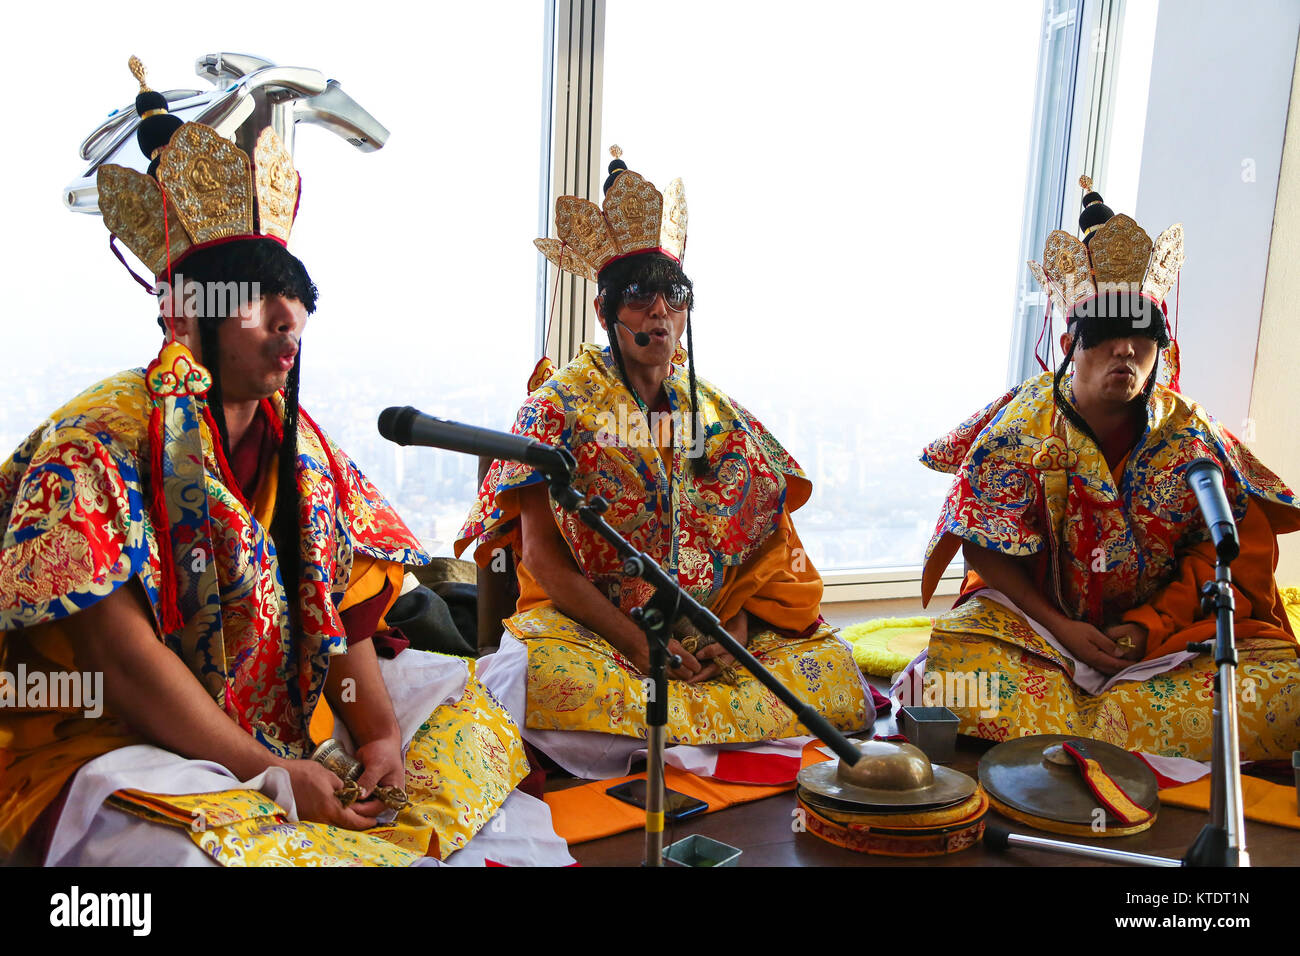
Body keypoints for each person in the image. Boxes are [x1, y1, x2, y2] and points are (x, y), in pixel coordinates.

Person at [0, 59, 570, 866]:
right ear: (187, 312)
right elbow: (116, 665)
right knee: (186, 858)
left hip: (281, 726)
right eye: (255, 299)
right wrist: (269, 775)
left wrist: (373, 735)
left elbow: (342, 613)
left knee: (474, 719)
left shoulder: (302, 448)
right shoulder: (94, 443)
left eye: (296, 300)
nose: (287, 319)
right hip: (118, 736)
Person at [458, 149, 871, 777]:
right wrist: (641, 645)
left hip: (711, 633)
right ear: (605, 313)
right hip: (595, 630)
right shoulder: (556, 408)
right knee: (532, 681)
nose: (658, 310)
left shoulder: (715, 412)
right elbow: (542, 559)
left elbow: (770, 541)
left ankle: (680, 732)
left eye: (672, 295)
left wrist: (728, 633)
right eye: (638, 296)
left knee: (839, 680)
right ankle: (690, 738)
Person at [915, 177, 1300, 761]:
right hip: (1043, 631)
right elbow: (984, 547)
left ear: (1159, 350)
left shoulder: (1190, 434)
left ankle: (1068, 733)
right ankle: (1111, 732)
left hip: (1165, 641)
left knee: (1284, 691)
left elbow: (1229, 549)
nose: (1126, 351)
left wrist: (1150, 625)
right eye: (1107, 336)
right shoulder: (1023, 425)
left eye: (1142, 338)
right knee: (950, 671)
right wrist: (1061, 628)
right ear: (1070, 341)